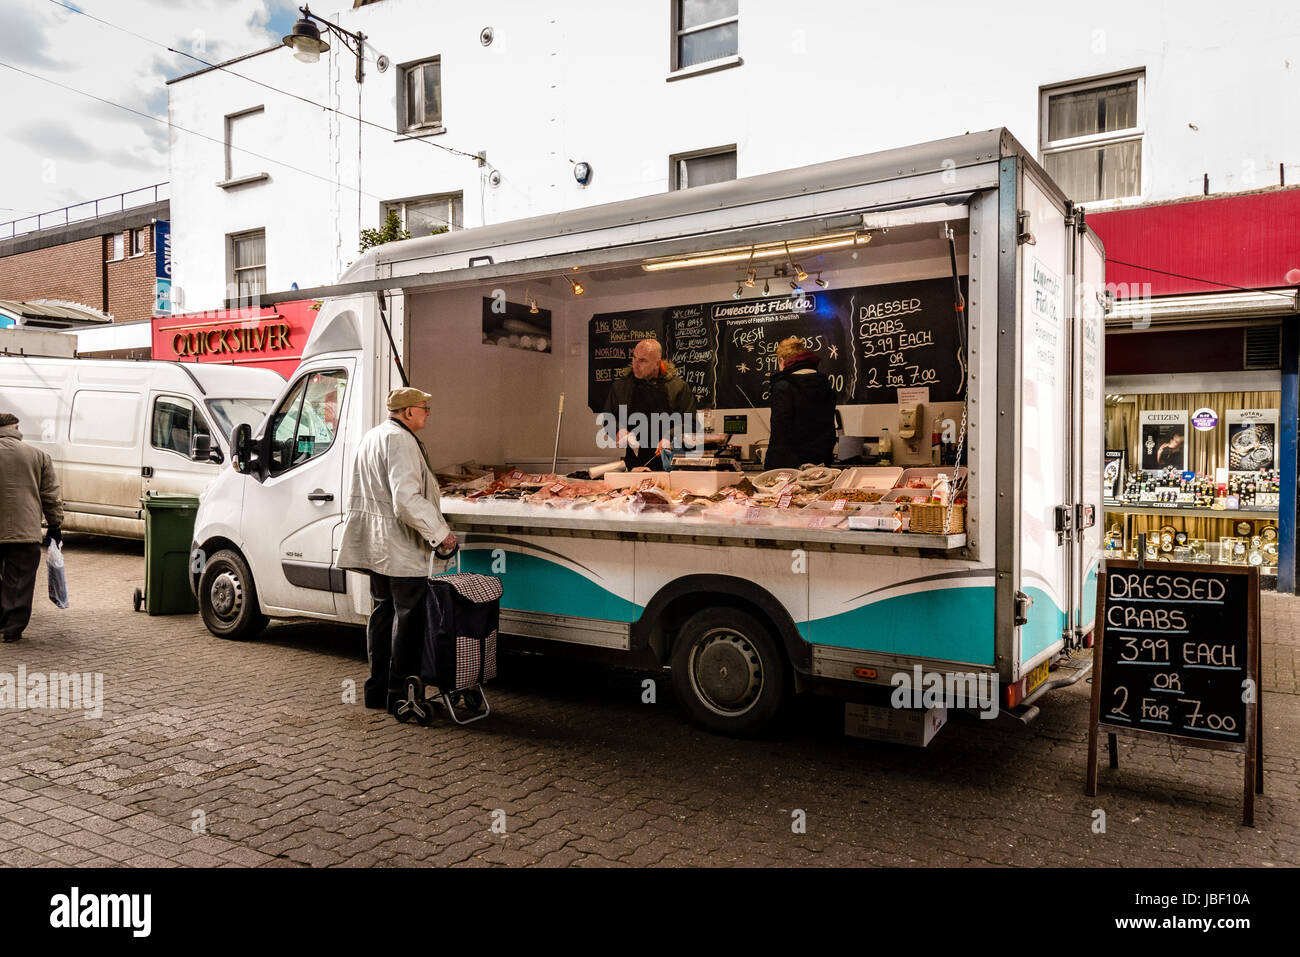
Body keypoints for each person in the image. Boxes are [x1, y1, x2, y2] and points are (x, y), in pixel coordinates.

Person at [335, 388, 456, 712]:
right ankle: (400, 694)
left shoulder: (373, 436)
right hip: (399, 548)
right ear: (407, 412)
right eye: (424, 408)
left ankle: (376, 691)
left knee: (382, 615)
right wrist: (441, 534)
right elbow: (406, 500)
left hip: (377, 546)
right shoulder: (401, 441)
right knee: (408, 619)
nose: (428, 412)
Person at [0, 412, 63, 643]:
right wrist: (55, 525)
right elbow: (50, 495)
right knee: (18, 581)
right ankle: (12, 629)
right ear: (16, 428)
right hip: (24, 532)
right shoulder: (38, 456)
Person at [601, 338, 698, 470]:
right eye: (634, 358)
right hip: (634, 465)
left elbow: (690, 423)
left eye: (643, 360)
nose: (636, 364)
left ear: (657, 364)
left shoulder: (678, 387)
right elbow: (609, 419)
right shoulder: (621, 387)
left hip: (671, 465)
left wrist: (670, 437)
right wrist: (620, 432)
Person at [764, 336, 837, 470]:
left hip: (789, 468)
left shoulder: (783, 387)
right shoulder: (824, 385)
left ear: (781, 360)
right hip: (820, 464)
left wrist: (771, 467)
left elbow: (780, 433)